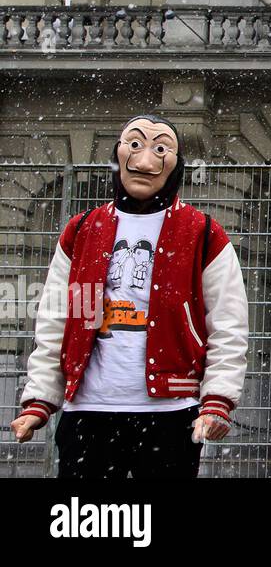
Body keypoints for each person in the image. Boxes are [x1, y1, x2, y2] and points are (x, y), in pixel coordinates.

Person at [10, 115, 249, 478]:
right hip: (86, 414)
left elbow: (228, 325)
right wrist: (40, 399)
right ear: (118, 154)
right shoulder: (83, 230)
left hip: (171, 414)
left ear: (175, 163)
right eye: (135, 144)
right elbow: (56, 321)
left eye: (160, 148)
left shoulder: (202, 233)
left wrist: (218, 401)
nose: (145, 159)